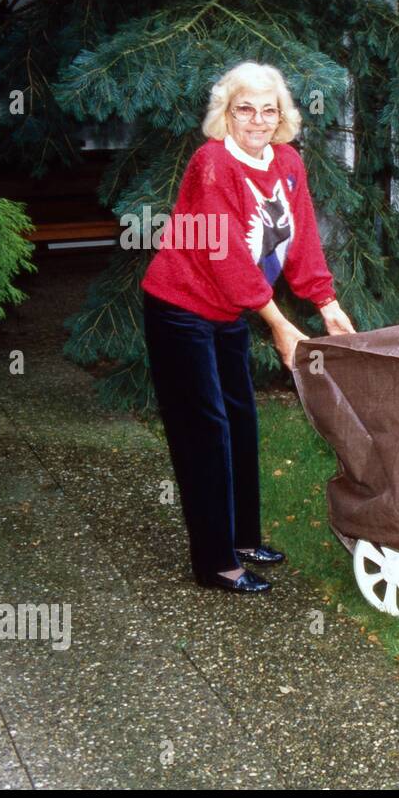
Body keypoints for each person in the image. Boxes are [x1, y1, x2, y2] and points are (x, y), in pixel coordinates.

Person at [140, 61, 356, 593]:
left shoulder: (286, 163)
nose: (257, 120)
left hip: (227, 309)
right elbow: (227, 256)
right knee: (205, 428)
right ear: (226, 115)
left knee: (239, 419)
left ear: (282, 115)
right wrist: (280, 324)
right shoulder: (212, 164)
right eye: (245, 109)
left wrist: (326, 302)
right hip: (180, 306)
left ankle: (241, 537)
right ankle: (216, 563)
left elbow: (299, 238)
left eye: (268, 109)